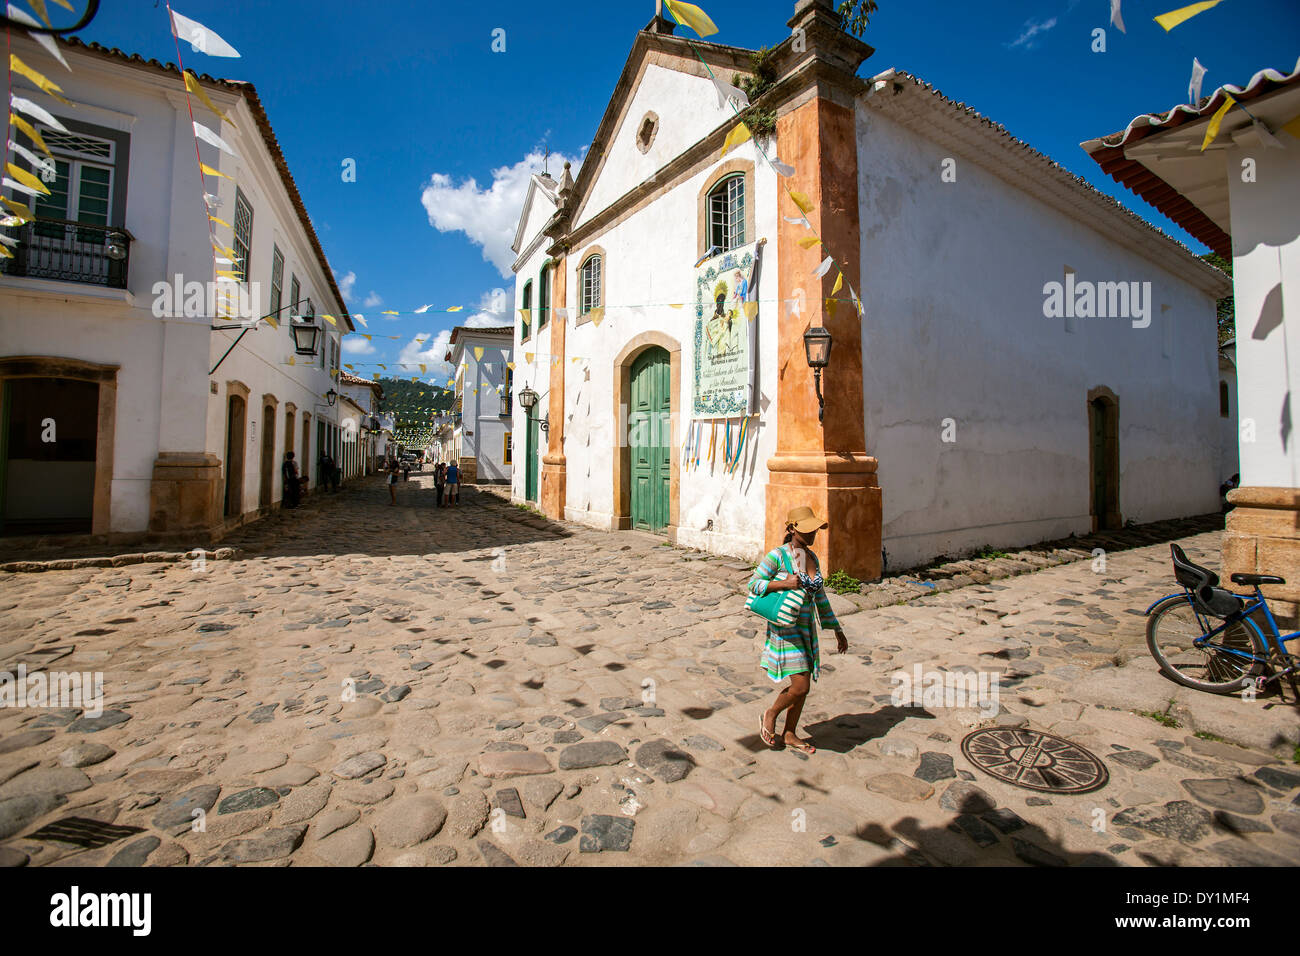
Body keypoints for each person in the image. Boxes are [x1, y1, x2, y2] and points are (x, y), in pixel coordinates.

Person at [748, 505, 848, 755]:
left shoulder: (812, 558)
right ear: (792, 528)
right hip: (785, 628)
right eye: (807, 529)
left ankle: (790, 733)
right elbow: (753, 584)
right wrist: (784, 582)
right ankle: (770, 714)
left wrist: (836, 629)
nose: (813, 533)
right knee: (801, 685)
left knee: (804, 685)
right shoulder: (778, 555)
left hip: (806, 628)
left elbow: (821, 597)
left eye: (815, 529)